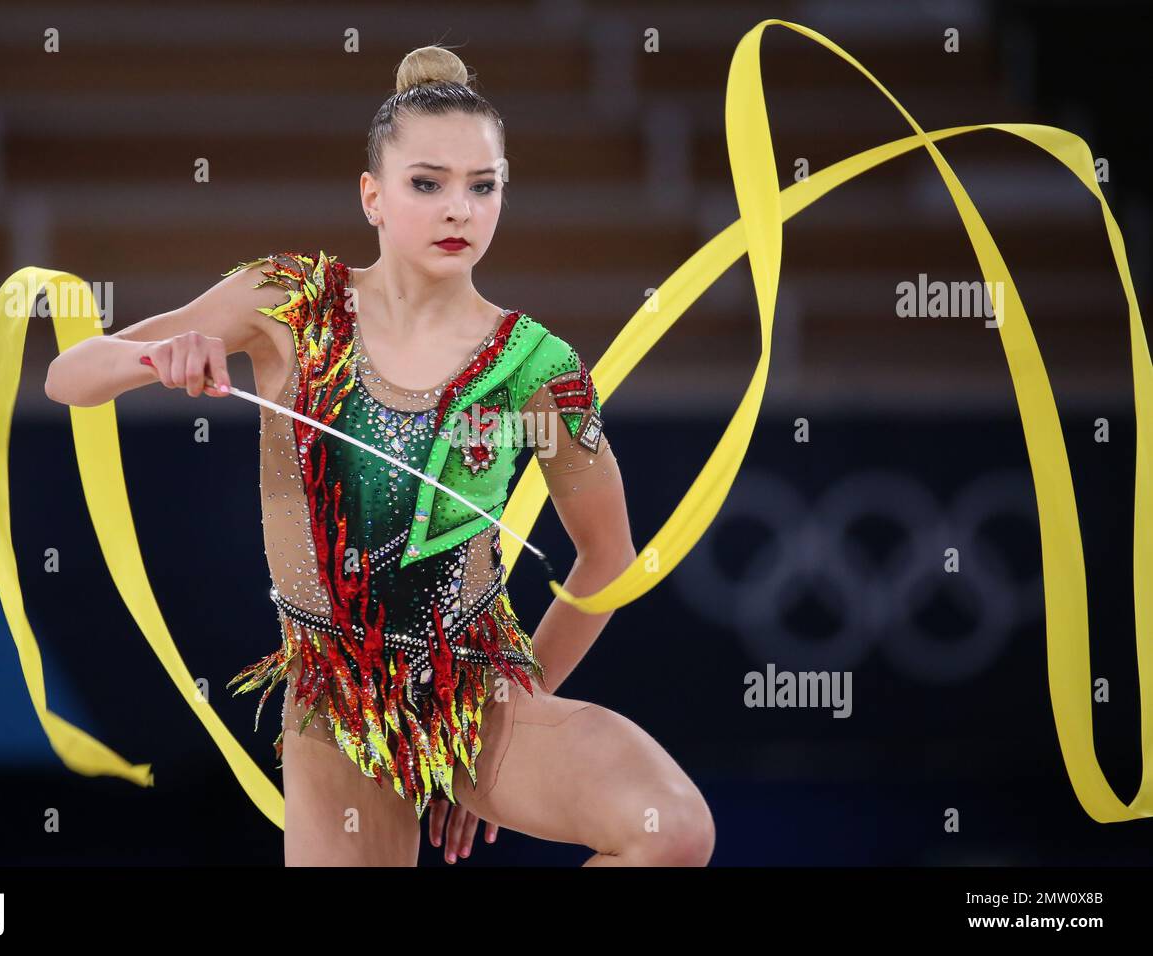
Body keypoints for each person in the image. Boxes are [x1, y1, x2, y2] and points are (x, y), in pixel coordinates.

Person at [45, 44, 714, 866]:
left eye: (483, 185)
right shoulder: (290, 301)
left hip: (476, 688)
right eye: (427, 184)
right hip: (333, 702)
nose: (458, 210)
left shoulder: (536, 371)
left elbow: (607, 556)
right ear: (373, 195)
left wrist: (511, 710)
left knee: (671, 829)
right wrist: (159, 357)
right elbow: (67, 375)